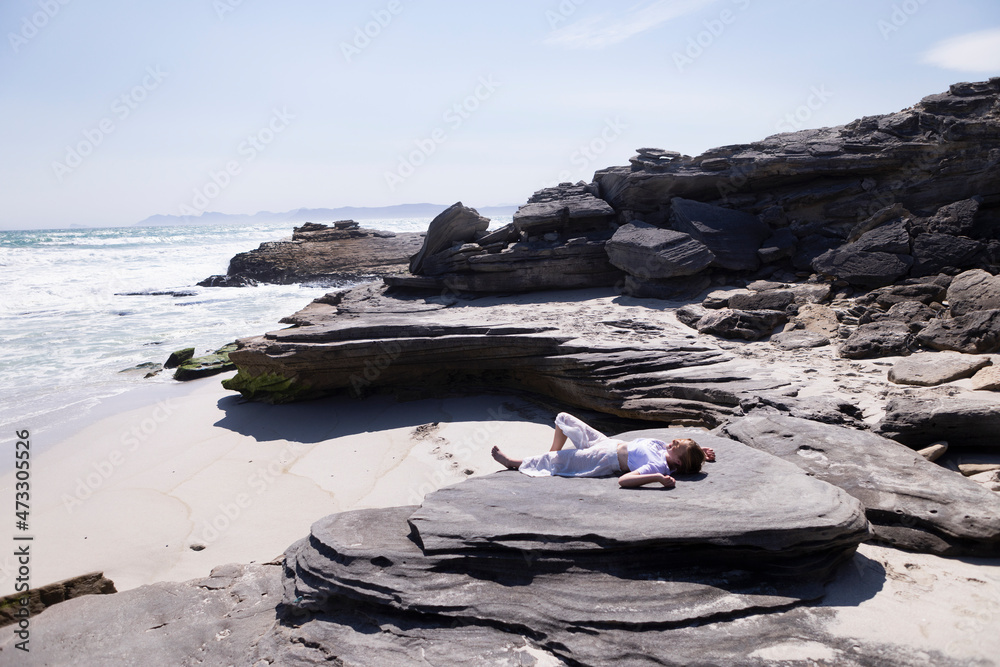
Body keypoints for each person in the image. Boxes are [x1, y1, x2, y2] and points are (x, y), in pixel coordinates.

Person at [491, 412, 715, 489]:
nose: (674, 441)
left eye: (678, 446)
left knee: (562, 458)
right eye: (678, 442)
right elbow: (681, 451)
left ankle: (514, 463)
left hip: (601, 459)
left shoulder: (658, 466)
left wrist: (656, 478)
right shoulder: (664, 449)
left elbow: (624, 481)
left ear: (678, 463)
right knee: (563, 419)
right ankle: (551, 457)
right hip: (606, 443)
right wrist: (700, 452)